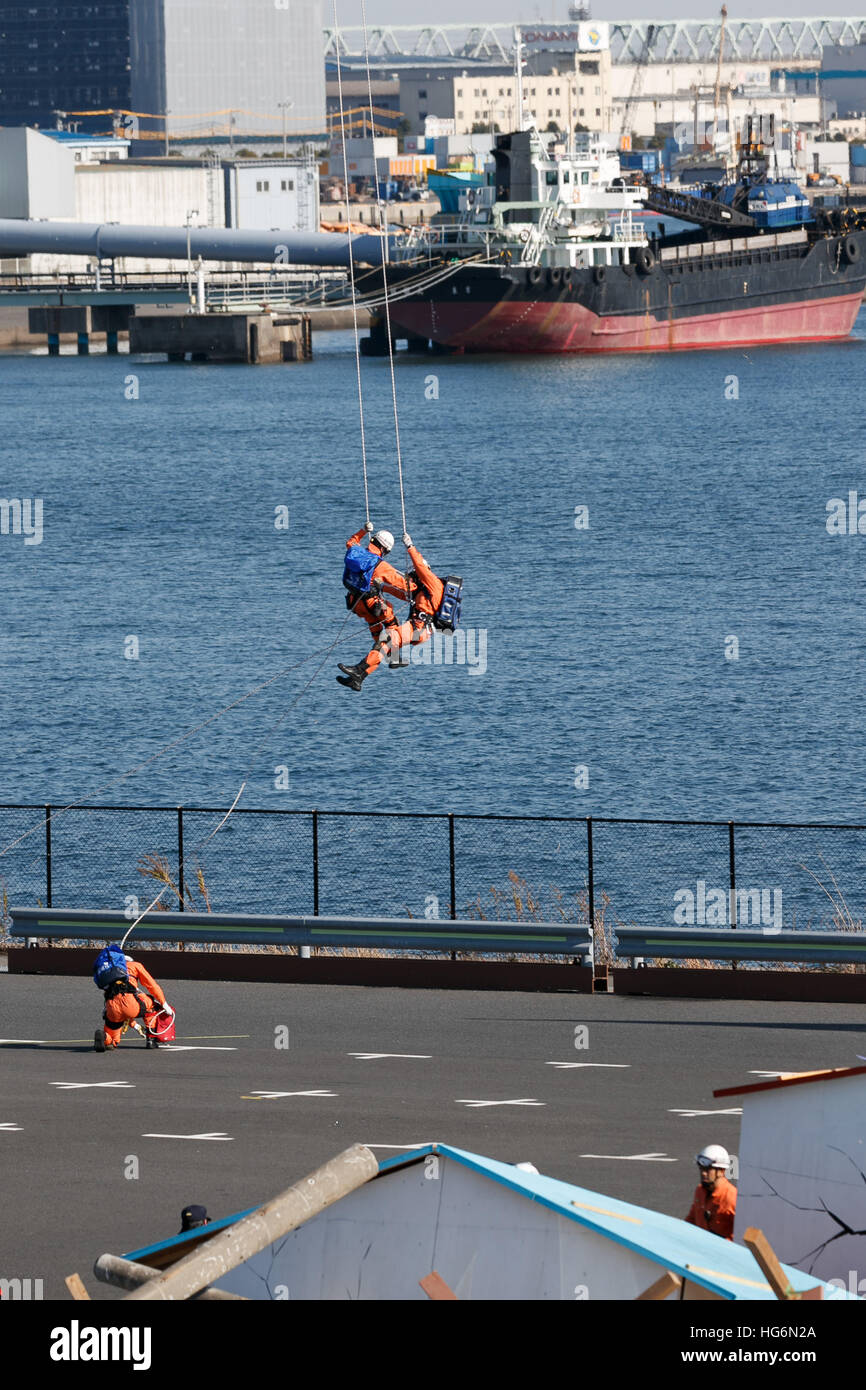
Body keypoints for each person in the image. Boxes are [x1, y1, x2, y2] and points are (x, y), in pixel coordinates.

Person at [337, 521, 412, 691]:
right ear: (385, 549)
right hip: (371, 602)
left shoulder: (354, 551)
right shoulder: (380, 565)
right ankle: (393, 657)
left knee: (377, 633)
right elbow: (403, 584)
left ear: (374, 540)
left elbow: (351, 541)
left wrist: (364, 530)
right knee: (392, 623)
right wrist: (417, 580)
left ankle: (357, 680)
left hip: (356, 604)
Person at [97, 956, 169, 1051]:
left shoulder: (109, 970)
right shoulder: (135, 966)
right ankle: (151, 1039)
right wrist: (164, 1003)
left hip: (112, 1008)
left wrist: (134, 1024)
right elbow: (152, 985)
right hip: (130, 1004)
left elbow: (118, 1003)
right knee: (151, 1003)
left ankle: (105, 1038)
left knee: (112, 1040)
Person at [684, 1144, 737, 1240]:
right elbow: (691, 1220)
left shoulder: (731, 1197)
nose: (703, 1173)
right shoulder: (700, 1191)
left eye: (708, 1170)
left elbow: (742, 1233)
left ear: (721, 1171)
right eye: (702, 1169)